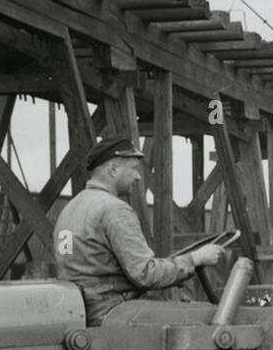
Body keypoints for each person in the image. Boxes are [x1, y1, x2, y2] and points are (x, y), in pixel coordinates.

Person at [54, 138, 225, 325]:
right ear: (113, 169)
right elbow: (145, 274)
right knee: (205, 318)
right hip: (111, 313)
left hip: (80, 312)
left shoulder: (70, 209)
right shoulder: (114, 210)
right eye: (133, 169)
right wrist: (195, 259)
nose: (138, 177)